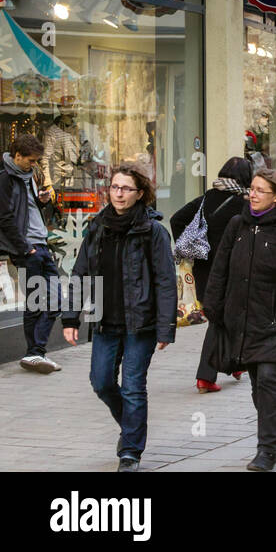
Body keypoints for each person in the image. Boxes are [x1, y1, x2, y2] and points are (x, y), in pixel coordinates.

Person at [204, 169, 276, 472]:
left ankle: (267, 450)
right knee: (258, 383)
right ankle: (275, 437)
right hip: (242, 317)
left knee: (269, 377)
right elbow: (220, 269)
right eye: (252, 189)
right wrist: (213, 307)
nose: (252, 195)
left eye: (260, 190)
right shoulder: (238, 225)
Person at [61, 163, 176, 471]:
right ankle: (130, 428)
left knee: (133, 386)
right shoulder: (98, 227)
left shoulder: (153, 231)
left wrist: (166, 326)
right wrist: (70, 318)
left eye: (126, 188)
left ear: (140, 194)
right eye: (114, 187)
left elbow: (166, 279)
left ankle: (130, 452)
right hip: (105, 320)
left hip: (141, 323)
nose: (119, 193)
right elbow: (80, 273)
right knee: (100, 382)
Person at [169, 157, 253, 393]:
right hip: (231, 270)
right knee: (220, 319)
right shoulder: (245, 202)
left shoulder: (207, 198)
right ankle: (205, 376)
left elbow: (177, 219)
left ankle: (236, 363)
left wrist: (194, 250)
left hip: (205, 270)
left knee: (229, 317)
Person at [1, 135, 63, 373]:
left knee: (56, 299)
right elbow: (5, 218)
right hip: (30, 249)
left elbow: (27, 211)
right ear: (17, 156)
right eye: (31, 160)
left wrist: (42, 201)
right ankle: (35, 353)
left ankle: (35, 353)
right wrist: (25, 248)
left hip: (42, 245)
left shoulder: (29, 177)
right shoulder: (6, 179)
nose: (34, 164)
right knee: (36, 302)